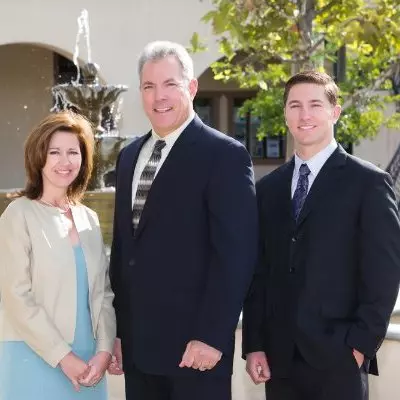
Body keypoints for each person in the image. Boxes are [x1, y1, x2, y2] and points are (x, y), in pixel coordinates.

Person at [107, 41, 258, 400]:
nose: (159, 96)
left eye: (169, 84)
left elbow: (236, 256)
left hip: (196, 352)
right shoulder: (129, 157)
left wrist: (212, 335)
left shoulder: (224, 156)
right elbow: (125, 250)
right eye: (148, 86)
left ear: (191, 87)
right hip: (140, 351)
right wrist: (119, 331)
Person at [242, 70, 400, 400]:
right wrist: (254, 344)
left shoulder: (368, 184)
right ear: (284, 113)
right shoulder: (268, 190)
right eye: (295, 105)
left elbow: (384, 275)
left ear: (335, 112)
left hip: (339, 359)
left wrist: (358, 347)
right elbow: (259, 274)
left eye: (315, 104)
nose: (305, 114)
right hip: (279, 361)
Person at [0, 111, 116, 399]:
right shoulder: (18, 214)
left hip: (89, 362)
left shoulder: (88, 218)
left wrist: (103, 350)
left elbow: (103, 293)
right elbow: (16, 296)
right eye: (55, 152)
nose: (65, 162)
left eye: (73, 152)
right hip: (34, 355)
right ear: (39, 156)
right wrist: (63, 357)